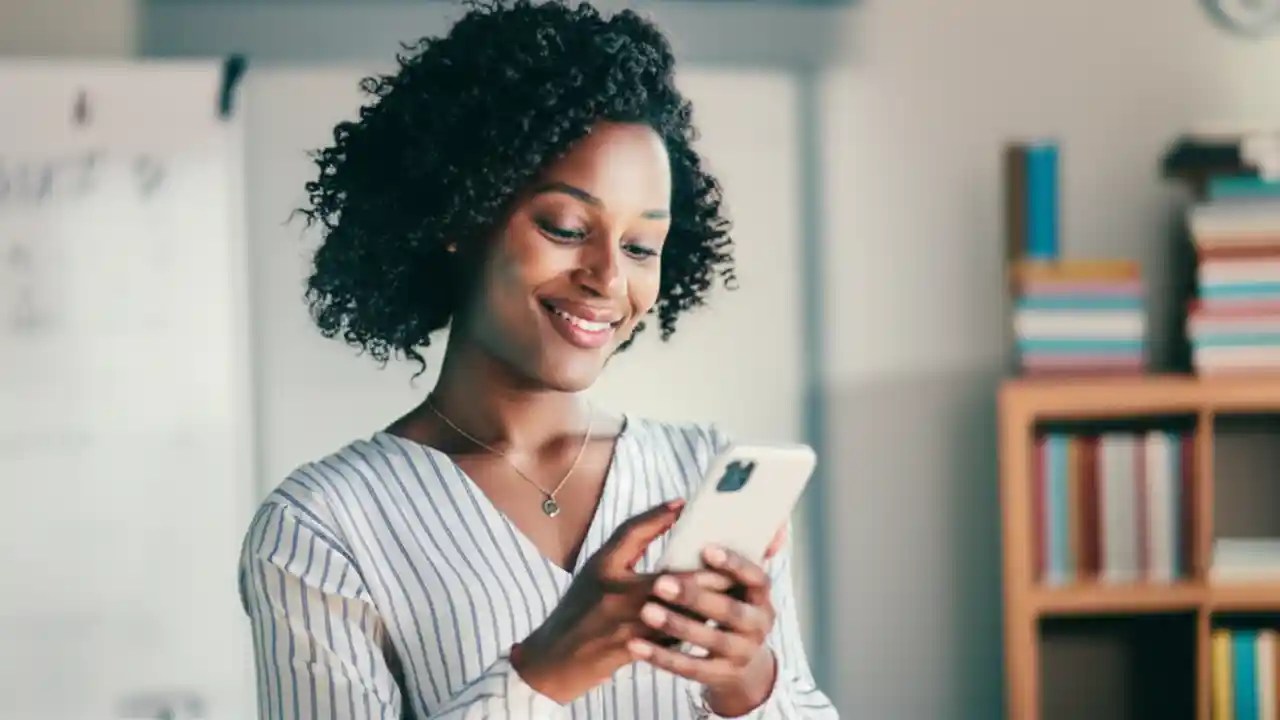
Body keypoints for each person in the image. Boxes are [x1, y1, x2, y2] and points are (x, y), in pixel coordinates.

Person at [237, 0, 837, 717]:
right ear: (462, 214)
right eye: (566, 227)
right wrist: (544, 673)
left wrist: (748, 680)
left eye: (642, 247)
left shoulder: (701, 473)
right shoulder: (325, 526)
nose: (610, 278)